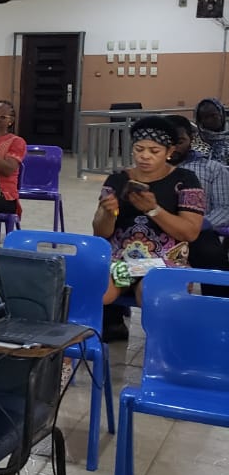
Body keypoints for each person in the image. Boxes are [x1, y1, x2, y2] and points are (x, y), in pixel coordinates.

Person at [94, 116, 205, 327]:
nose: (144, 156)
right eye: (139, 149)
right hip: (122, 262)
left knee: (151, 293)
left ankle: (160, 352)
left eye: (154, 151)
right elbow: (100, 233)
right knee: (94, 292)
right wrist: (107, 213)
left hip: (166, 262)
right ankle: (78, 347)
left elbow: (190, 233)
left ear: (169, 151)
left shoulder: (185, 180)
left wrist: (153, 210)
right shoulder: (117, 180)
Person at [169, 115, 229, 295]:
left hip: (197, 233)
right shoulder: (152, 169)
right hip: (159, 230)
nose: (174, 148)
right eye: (169, 142)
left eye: (180, 141)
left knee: (211, 255)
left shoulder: (213, 169)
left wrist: (197, 224)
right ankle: (113, 316)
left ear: (191, 139)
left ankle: (218, 306)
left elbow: (224, 208)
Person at [194, 98, 229, 164]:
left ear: (221, 114)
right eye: (206, 117)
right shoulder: (195, 141)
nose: (211, 120)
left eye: (214, 115)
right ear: (200, 121)